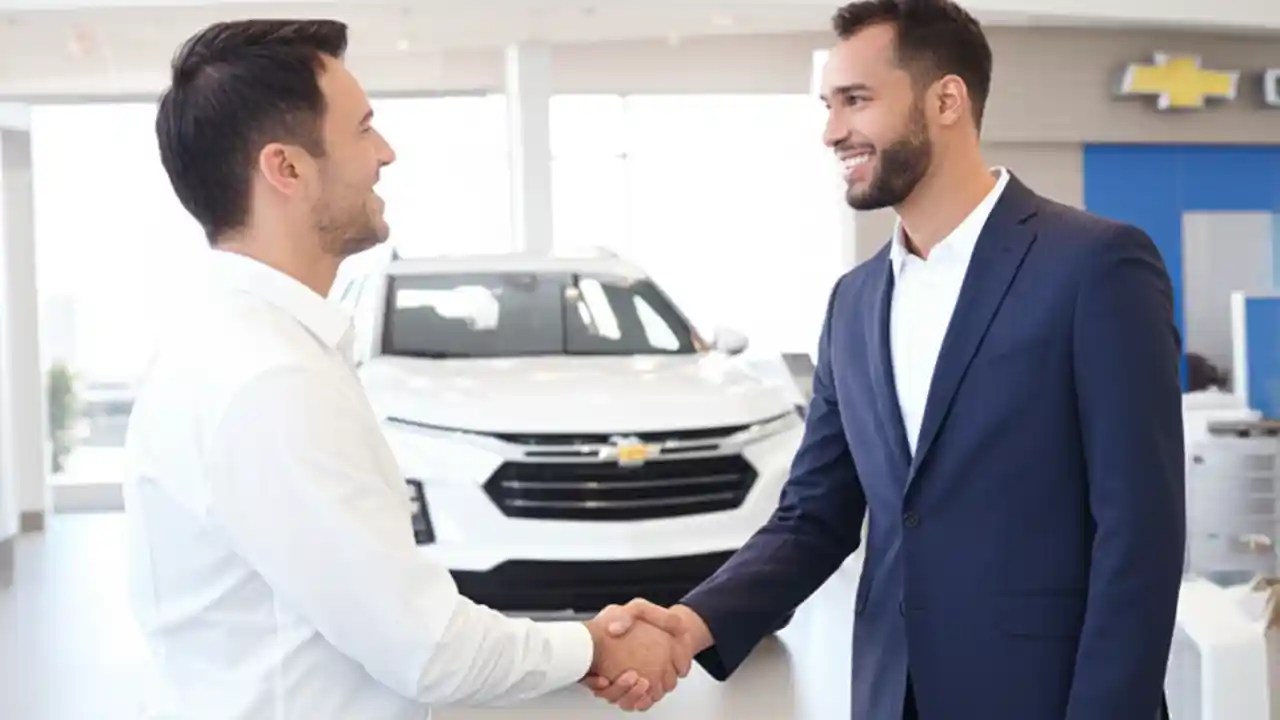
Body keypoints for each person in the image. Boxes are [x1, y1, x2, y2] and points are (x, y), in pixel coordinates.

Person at [588, 1, 1186, 718]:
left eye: (856, 100)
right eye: (828, 105)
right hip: (889, 693)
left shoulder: (1093, 266)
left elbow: (1141, 532)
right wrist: (691, 623)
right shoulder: (854, 301)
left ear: (946, 99)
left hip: (1044, 697)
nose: (832, 130)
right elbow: (814, 516)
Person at [123, 19, 688, 719]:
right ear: (287, 168)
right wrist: (595, 648)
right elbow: (428, 650)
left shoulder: (237, 345)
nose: (385, 153)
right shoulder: (270, 379)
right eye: (363, 129)